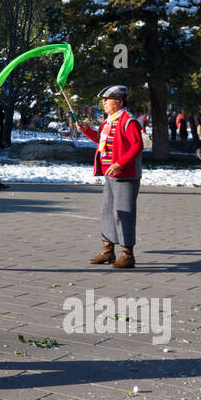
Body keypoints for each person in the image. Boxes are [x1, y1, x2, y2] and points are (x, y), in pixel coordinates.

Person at [78, 85, 144, 269]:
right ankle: (107, 251)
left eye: (107, 99)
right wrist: (86, 130)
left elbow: (137, 145)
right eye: (103, 100)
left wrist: (120, 163)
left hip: (125, 175)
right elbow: (102, 141)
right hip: (110, 175)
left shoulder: (129, 121)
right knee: (107, 212)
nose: (104, 103)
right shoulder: (109, 121)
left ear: (120, 102)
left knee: (124, 214)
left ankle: (127, 254)